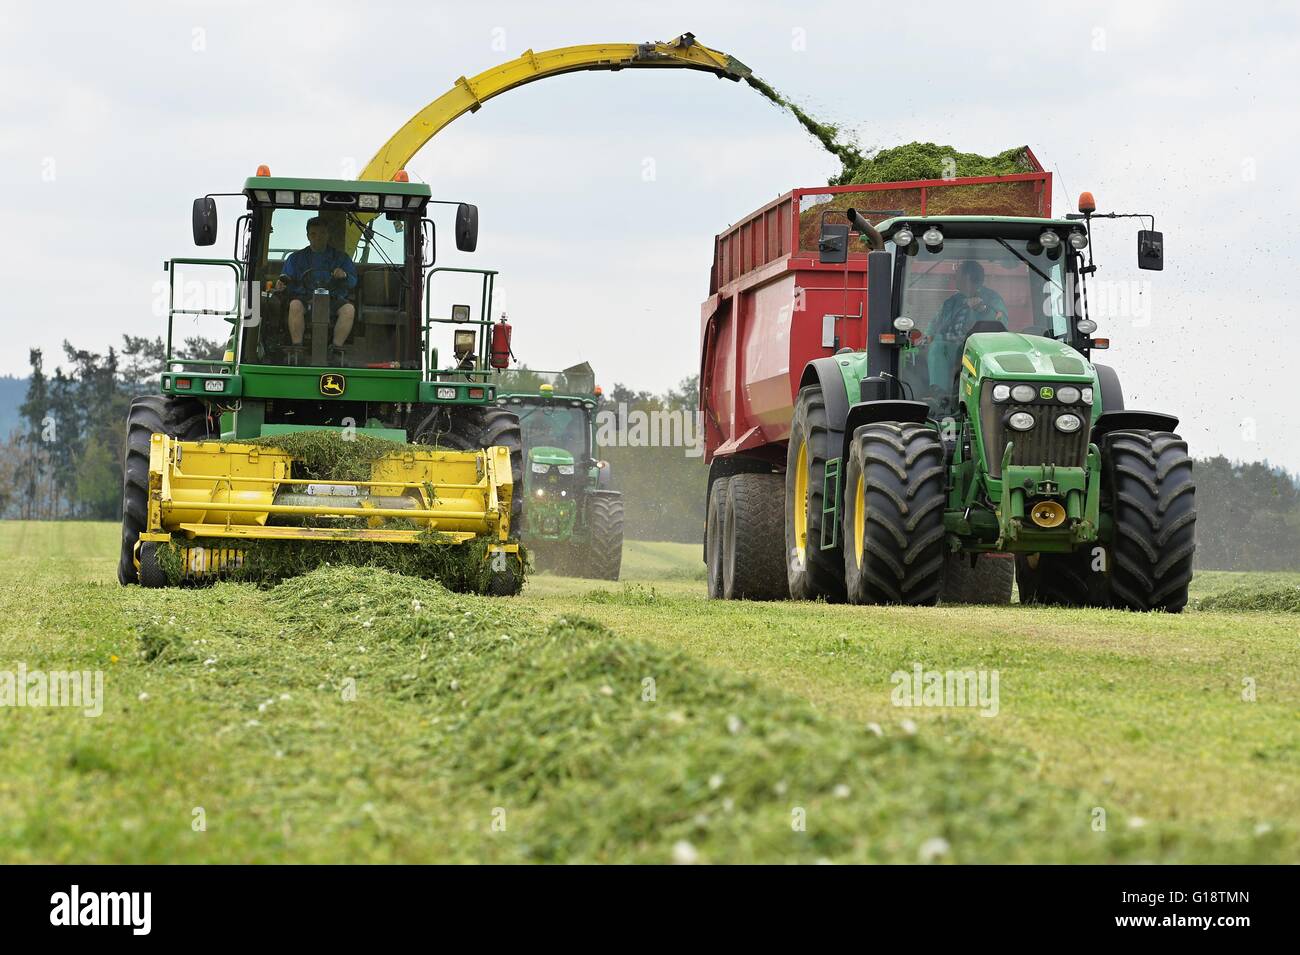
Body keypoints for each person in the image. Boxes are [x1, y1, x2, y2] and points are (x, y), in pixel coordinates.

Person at [275, 217, 358, 360]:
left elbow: (353, 282)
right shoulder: (295, 259)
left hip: (333, 300)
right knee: (294, 305)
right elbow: (285, 279)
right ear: (308, 236)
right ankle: (297, 350)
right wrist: (281, 284)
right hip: (304, 299)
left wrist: (343, 275)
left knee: (349, 309)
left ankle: (336, 350)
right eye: (313, 234)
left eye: (322, 233)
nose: (318, 237)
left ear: (328, 234)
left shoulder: (341, 258)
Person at [926, 260, 1009, 390]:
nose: (954, 277)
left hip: (976, 350)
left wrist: (983, 310)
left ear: (968, 277)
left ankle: (939, 391)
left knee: (937, 346)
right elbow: (935, 322)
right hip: (949, 348)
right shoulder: (951, 302)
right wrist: (928, 336)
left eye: (957, 274)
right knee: (933, 346)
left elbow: (1001, 324)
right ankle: (938, 393)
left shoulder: (992, 298)